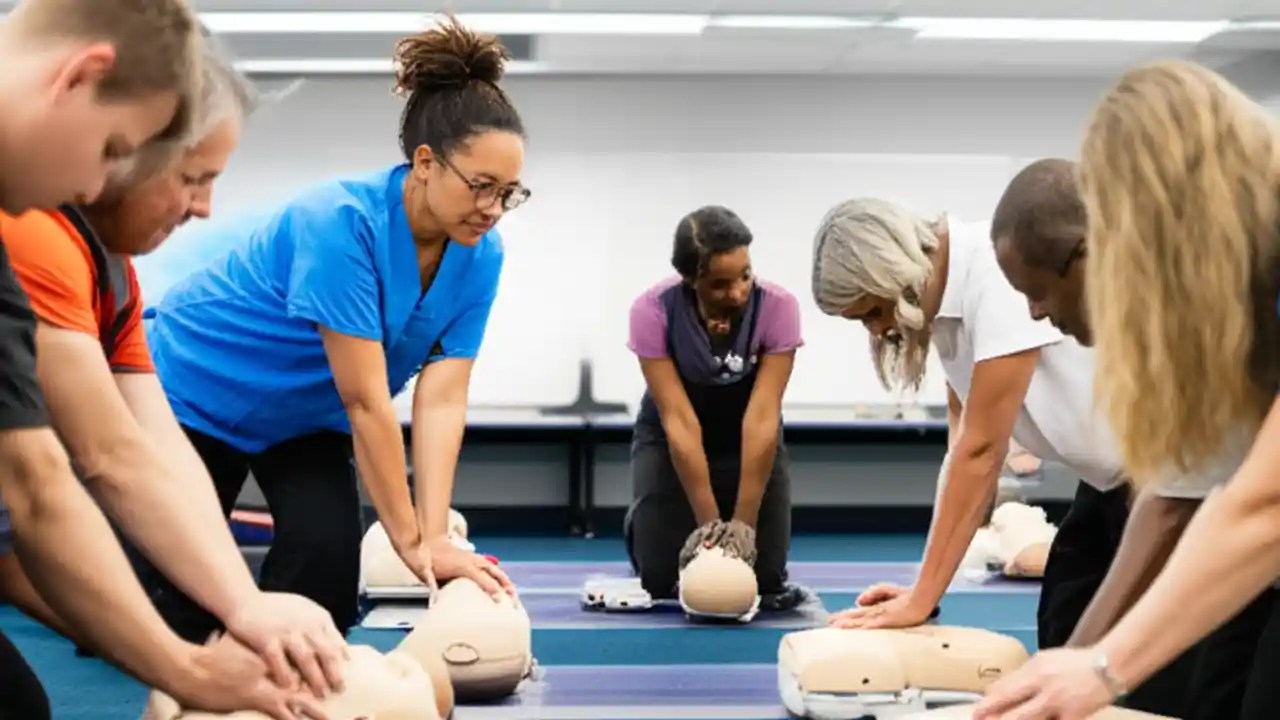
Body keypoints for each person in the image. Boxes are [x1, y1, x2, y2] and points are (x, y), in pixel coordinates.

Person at [139, 15, 525, 646]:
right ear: (426, 163)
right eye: (481, 186)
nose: (492, 207)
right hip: (197, 390)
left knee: (325, 573)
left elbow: (442, 397)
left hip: (301, 418)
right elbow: (367, 401)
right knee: (181, 609)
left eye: (509, 193)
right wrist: (408, 541)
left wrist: (432, 537)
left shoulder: (481, 254)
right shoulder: (341, 221)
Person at [0, 31, 350, 708]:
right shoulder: (36, 236)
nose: (203, 207)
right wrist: (188, 665)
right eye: (193, 179)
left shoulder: (114, 276)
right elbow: (96, 462)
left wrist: (238, 612)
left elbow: (153, 447)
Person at [974, 60, 1280, 720]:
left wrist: (1104, 670)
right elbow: (1182, 494)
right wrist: (1077, 663)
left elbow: (1265, 505)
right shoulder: (1227, 301)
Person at [807, 196, 1185, 717]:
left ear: (895, 270)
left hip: (1171, 482)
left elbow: (983, 450)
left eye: (873, 311)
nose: (877, 330)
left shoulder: (994, 276)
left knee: (1156, 666)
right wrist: (925, 587)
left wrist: (921, 599)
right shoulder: (940, 304)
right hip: (1109, 484)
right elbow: (962, 441)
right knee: (1065, 628)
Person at [623, 205, 805, 610]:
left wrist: (742, 524)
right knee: (662, 578)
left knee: (764, 578)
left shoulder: (778, 307)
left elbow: (761, 418)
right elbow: (679, 421)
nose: (738, 292)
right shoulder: (652, 311)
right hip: (674, 429)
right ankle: (644, 530)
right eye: (721, 284)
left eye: (745, 275)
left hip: (747, 427)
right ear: (691, 279)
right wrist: (710, 528)